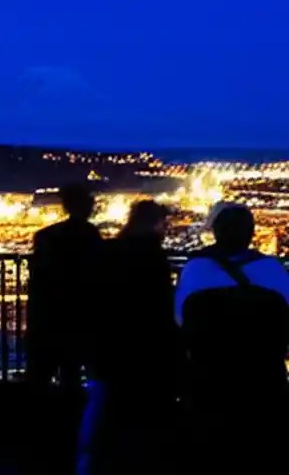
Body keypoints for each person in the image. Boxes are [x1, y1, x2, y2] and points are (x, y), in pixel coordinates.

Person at [175, 202, 289, 473]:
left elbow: (180, 320)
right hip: (264, 383)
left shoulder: (194, 270)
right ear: (251, 234)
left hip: (208, 382)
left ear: (215, 233)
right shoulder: (273, 270)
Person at [78, 200, 178, 475]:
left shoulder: (108, 250)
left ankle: (88, 460)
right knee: (140, 409)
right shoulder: (153, 258)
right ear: (155, 224)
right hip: (142, 345)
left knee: (101, 401)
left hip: (106, 341)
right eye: (163, 224)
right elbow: (160, 305)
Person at [26, 183, 102, 391]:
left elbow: (39, 274)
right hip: (78, 316)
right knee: (72, 374)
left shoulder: (45, 236)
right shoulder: (90, 236)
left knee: (40, 374)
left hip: (48, 315)